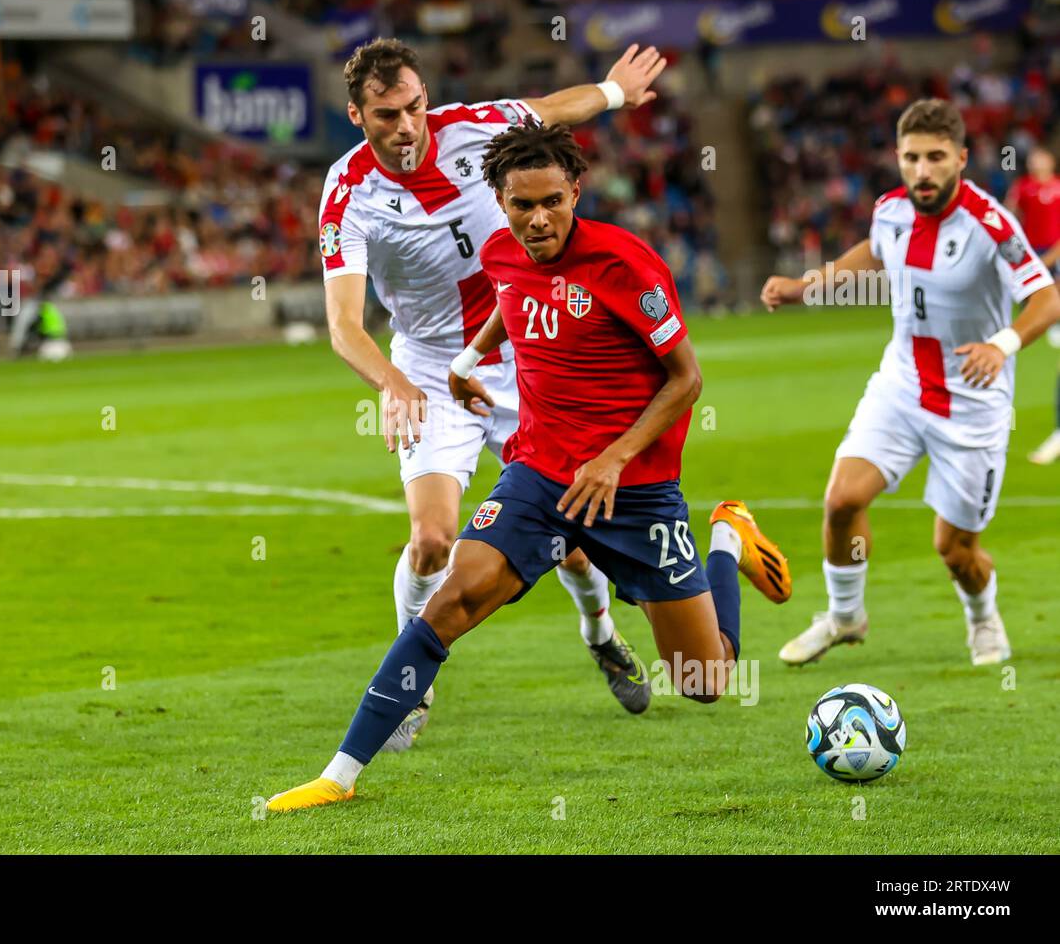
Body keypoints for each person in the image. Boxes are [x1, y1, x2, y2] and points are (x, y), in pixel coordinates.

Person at [267, 120, 791, 812]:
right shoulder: (501, 253)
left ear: (575, 192)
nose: (538, 219)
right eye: (522, 205)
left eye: (552, 202)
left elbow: (686, 380)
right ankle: (339, 775)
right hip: (539, 477)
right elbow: (510, 303)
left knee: (704, 682)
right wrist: (464, 361)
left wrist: (614, 458)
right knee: (451, 599)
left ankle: (727, 537)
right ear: (501, 202)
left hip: (634, 491)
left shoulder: (626, 266)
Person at [318, 38, 669, 743]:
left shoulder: (474, 127)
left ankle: (600, 634)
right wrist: (393, 383)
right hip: (427, 370)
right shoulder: (347, 193)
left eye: (414, 107)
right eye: (387, 115)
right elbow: (343, 325)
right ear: (357, 115)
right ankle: (411, 682)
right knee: (431, 540)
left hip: (525, 356)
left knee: (572, 536)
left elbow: (550, 110)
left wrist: (613, 91)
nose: (407, 126)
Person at [763, 100, 1060, 667]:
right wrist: (806, 285)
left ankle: (982, 617)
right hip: (900, 387)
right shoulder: (890, 210)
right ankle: (845, 616)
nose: (923, 170)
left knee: (955, 551)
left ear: (961, 159)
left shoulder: (990, 224)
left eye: (936, 158)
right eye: (912, 157)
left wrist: (1001, 345)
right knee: (843, 500)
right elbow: (874, 254)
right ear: (898, 158)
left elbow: (1047, 298)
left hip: (972, 404)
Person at [1004, 146, 1060, 464]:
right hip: (1031, 249)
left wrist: (1050, 258)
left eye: (1042, 156)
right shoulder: (1023, 187)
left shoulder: (1058, 188)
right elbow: (1009, 215)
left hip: (1050, 250)